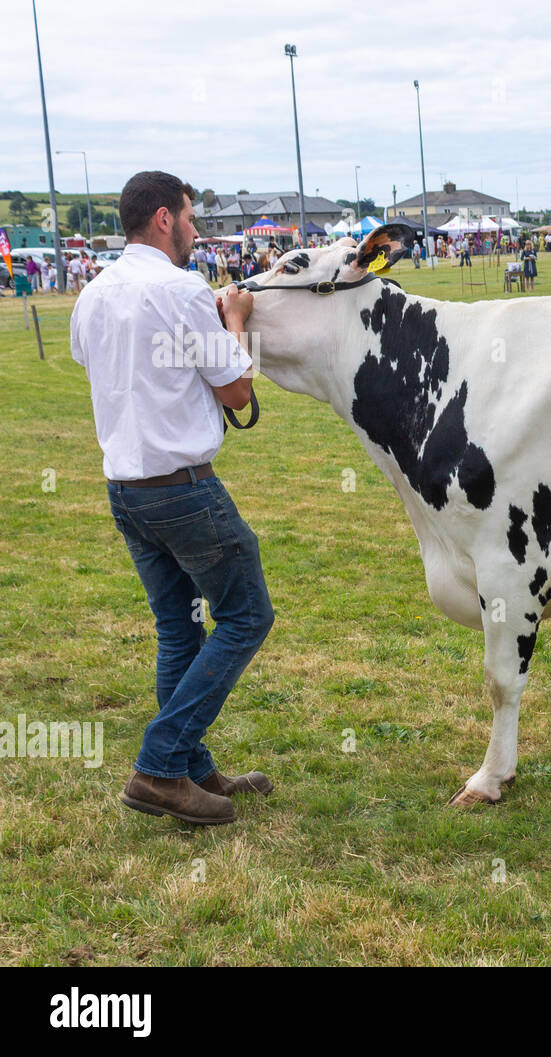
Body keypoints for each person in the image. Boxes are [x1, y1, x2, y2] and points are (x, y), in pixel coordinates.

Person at [70, 170, 274, 826]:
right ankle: (160, 764)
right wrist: (234, 319)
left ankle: (188, 765)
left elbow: (98, 362)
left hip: (126, 489)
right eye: (189, 217)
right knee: (246, 615)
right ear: (163, 218)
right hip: (182, 489)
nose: (194, 229)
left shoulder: (93, 294)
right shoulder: (182, 290)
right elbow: (238, 390)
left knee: (179, 628)